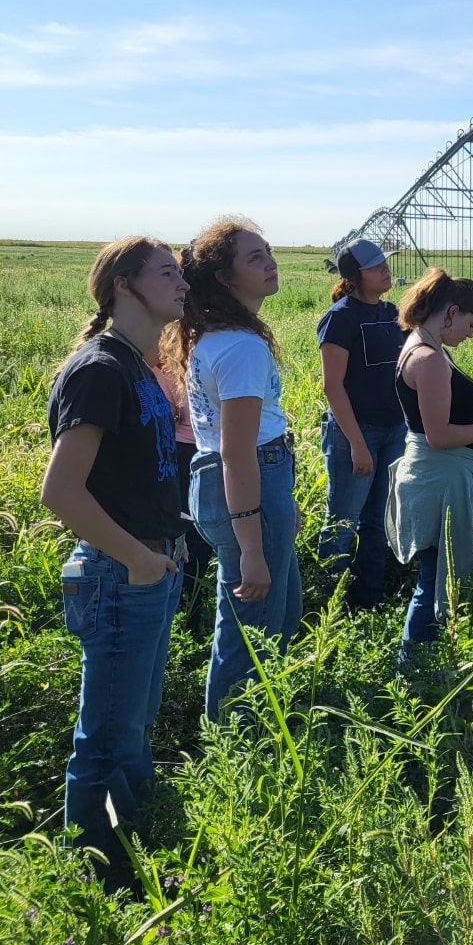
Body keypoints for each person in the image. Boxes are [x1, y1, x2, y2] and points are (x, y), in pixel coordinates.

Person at [40, 237, 188, 888]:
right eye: (166, 274)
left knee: (130, 730)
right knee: (104, 741)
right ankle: (102, 889)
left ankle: (136, 861)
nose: (182, 284)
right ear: (125, 285)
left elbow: (140, 473)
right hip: (117, 573)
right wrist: (136, 556)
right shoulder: (101, 368)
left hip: (145, 568)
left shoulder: (136, 363)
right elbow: (60, 491)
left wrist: (167, 541)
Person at [169, 218, 302, 720]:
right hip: (247, 481)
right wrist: (251, 547)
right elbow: (238, 451)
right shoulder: (242, 347)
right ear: (224, 278)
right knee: (252, 626)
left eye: (268, 251)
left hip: (224, 482)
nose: (270, 262)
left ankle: (257, 725)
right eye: (254, 257)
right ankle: (234, 740)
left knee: (273, 614)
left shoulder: (212, 336)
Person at [385, 269, 473, 668]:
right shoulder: (427, 359)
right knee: (433, 580)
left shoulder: (427, 346)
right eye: (471, 325)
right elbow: (439, 435)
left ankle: (422, 660)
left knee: (434, 574)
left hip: (437, 473)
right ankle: (413, 666)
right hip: (438, 477)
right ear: (452, 312)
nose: (471, 334)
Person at [316, 237, 407, 610]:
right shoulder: (341, 317)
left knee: (377, 521)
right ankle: (328, 605)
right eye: (375, 266)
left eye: (384, 262)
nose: (385, 268)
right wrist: (356, 443)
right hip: (356, 432)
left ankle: (369, 599)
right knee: (343, 521)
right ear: (355, 277)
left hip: (392, 430)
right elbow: (332, 386)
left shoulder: (390, 313)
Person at [148, 346, 214, 635]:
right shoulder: (162, 353)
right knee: (191, 540)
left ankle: (193, 617)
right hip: (182, 452)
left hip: (213, 450)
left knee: (204, 540)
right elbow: (172, 414)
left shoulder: (209, 344)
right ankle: (188, 621)